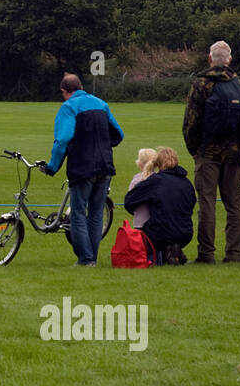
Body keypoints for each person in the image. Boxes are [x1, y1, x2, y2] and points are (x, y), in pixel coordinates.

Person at [182, 40, 240, 263]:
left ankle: (206, 253)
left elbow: (190, 123)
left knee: (207, 202)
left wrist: (195, 150)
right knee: (234, 205)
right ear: (229, 60)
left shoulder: (201, 84)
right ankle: (233, 253)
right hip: (234, 153)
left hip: (208, 152)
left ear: (209, 58)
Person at [42, 73, 124, 266]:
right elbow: (118, 134)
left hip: (82, 167)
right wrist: (102, 144)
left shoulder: (69, 107)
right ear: (80, 87)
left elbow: (63, 139)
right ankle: (91, 258)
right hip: (105, 166)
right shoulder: (101, 104)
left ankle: (86, 259)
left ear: (65, 91)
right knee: (96, 214)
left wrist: (52, 167)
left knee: (78, 213)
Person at [122, 147, 195, 264]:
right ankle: (172, 248)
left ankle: (163, 251)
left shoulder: (156, 181)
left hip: (161, 231)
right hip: (185, 231)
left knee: (153, 231)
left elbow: (130, 200)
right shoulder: (187, 183)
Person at [126, 148, 158, 230]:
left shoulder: (136, 179)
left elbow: (129, 200)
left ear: (140, 164)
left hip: (139, 221)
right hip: (156, 222)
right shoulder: (160, 179)